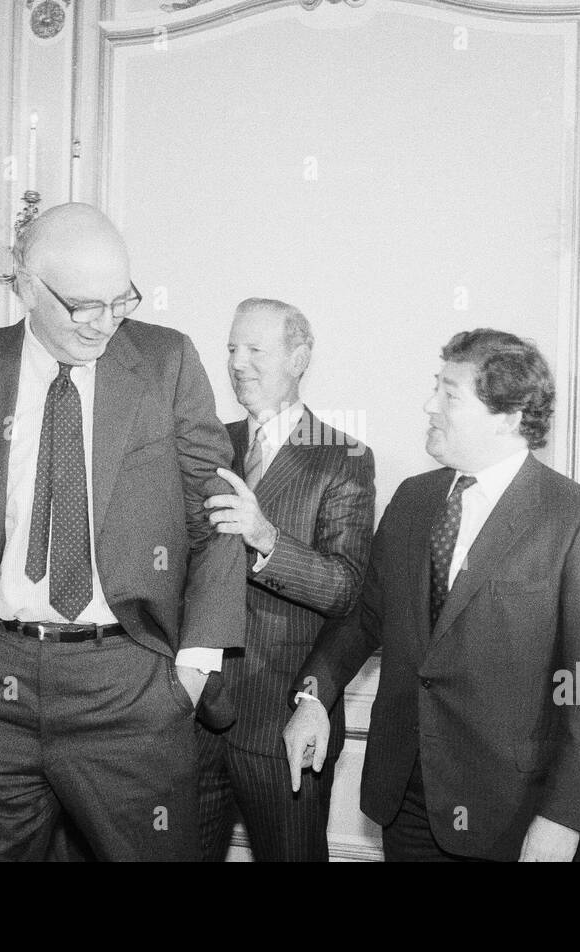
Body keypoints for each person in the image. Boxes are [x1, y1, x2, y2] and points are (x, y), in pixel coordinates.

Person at [0, 203, 245, 861]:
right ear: (26, 285)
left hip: (127, 683)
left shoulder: (166, 361)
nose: (105, 323)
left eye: (119, 300)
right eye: (83, 306)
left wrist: (191, 667)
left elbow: (218, 519)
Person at [283, 328, 580, 861]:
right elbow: (362, 619)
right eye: (435, 388)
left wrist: (563, 821)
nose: (429, 405)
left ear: (510, 417)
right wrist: (312, 698)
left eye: (449, 394)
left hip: (521, 810)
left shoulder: (579, 520)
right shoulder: (413, 500)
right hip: (407, 798)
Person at [197, 298, 375, 861]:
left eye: (256, 350)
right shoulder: (203, 445)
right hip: (192, 715)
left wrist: (267, 539)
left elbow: (346, 589)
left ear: (300, 358)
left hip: (283, 722)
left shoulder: (343, 457)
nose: (238, 364)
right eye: (231, 349)